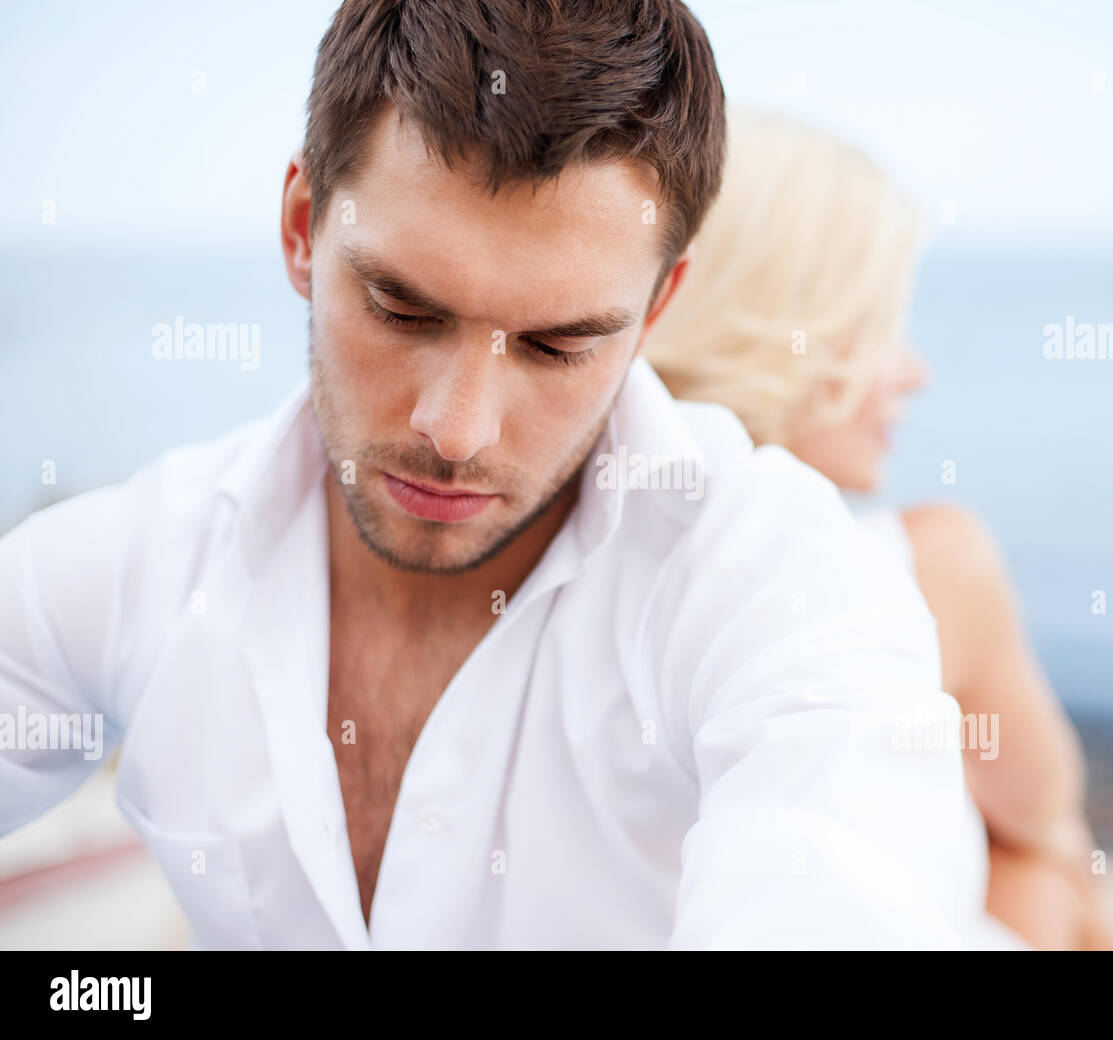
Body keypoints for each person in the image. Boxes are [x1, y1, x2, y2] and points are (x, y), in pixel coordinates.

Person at [0, 1, 993, 950]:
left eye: (559, 345)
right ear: (303, 225)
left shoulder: (778, 578)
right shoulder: (129, 563)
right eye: (401, 307)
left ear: (657, 308)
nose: (458, 430)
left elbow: (840, 885)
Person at [645, 107, 1113, 950]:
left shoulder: (590, 541)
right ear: (787, 335)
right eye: (876, 328)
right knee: (1047, 867)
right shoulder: (931, 561)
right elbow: (1042, 804)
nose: (913, 373)